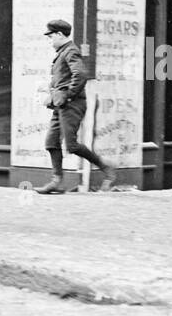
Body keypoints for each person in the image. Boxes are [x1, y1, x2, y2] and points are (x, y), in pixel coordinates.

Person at [34, 19, 117, 194]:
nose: (49, 41)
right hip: (61, 105)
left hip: (71, 105)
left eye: (50, 37)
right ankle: (56, 181)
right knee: (51, 142)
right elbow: (64, 78)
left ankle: (106, 168)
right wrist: (51, 89)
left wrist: (68, 94)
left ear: (59, 34)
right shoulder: (63, 52)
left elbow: (80, 74)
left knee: (71, 145)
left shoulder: (70, 50)